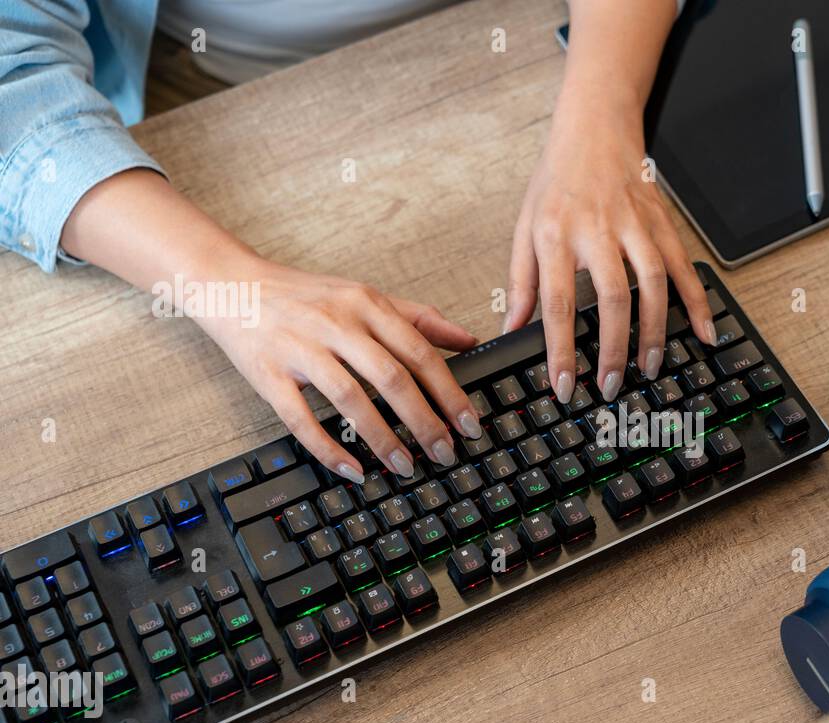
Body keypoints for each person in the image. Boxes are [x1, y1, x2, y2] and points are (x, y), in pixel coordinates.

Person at [0, 0, 716, 483]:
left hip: (521, 45)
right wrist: (223, 284)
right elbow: (14, 78)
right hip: (209, 105)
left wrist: (604, 110)